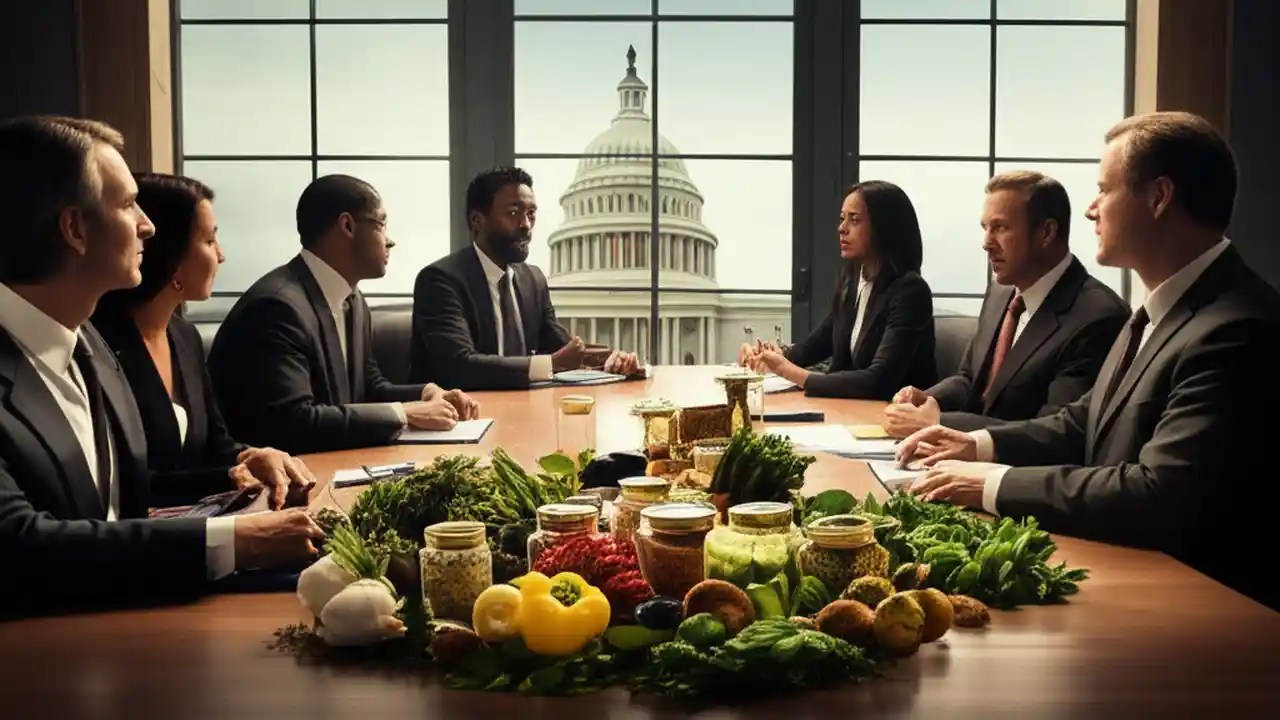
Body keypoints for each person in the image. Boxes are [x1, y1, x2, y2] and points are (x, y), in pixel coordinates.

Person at [897, 111, 1280, 610]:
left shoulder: (1236, 328)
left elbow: (1159, 493)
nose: (1091, 209)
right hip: (1132, 577)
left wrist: (994, 484)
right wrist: (978, 445)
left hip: (1199, 612)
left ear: (1159, 198)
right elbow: (1086, 422)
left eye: (1104, 190)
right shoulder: (1161, 309)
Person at [0, 116, 322, 613]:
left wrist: (235, 475)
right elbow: (18, 546)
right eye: (129, 204)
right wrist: (233, 540)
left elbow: (122, 493)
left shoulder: (87, 340)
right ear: (75, 229)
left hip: (131, 617)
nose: (147, 226)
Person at [208, 174, 480, 455]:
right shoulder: (276, 308)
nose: (390, 241)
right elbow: (293, 422)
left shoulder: (353, 299)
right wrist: (405, 413)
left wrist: (427, 393)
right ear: (347, 226)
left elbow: (368, 388)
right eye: (381, 224)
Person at [92, 173, 315, 510]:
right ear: (171, 254)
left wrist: (253, 456)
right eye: (210, 241)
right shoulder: (97, 344)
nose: (221, 255)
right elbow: (123, 483)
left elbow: (217, 443)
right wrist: (227, 477)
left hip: (200, 519)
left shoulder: (184, 336)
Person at [883, 171, 1128, 437]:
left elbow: (1055, 433)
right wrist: (926, 400)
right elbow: (970, 379)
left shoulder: (1098, 317)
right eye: (985, 228)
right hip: (956, 453)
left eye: (1000, 228)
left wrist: (939, 421)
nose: (986, 244)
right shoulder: (1000, 291)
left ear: (1046, 232)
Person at [409, 167, 640, 390]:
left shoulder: (533, 280)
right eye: (513, 213)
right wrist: (551, 364)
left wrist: (611, 360)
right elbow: (459, 366)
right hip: (458, 411)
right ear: (477, 220)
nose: (526, 225)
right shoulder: (440, 280)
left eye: (531, 214)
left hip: (525, 405)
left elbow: (562, 349)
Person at [741, 180, 936, 399]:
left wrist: (787, 370)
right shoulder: (852, 282)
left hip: (895, 412)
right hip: (853, 408)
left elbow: (879, 381)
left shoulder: (910, 292)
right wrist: (773, 355)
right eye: (842, 218)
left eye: (855, 220)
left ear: (884, 228)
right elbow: (819, 343)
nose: (842, 228)